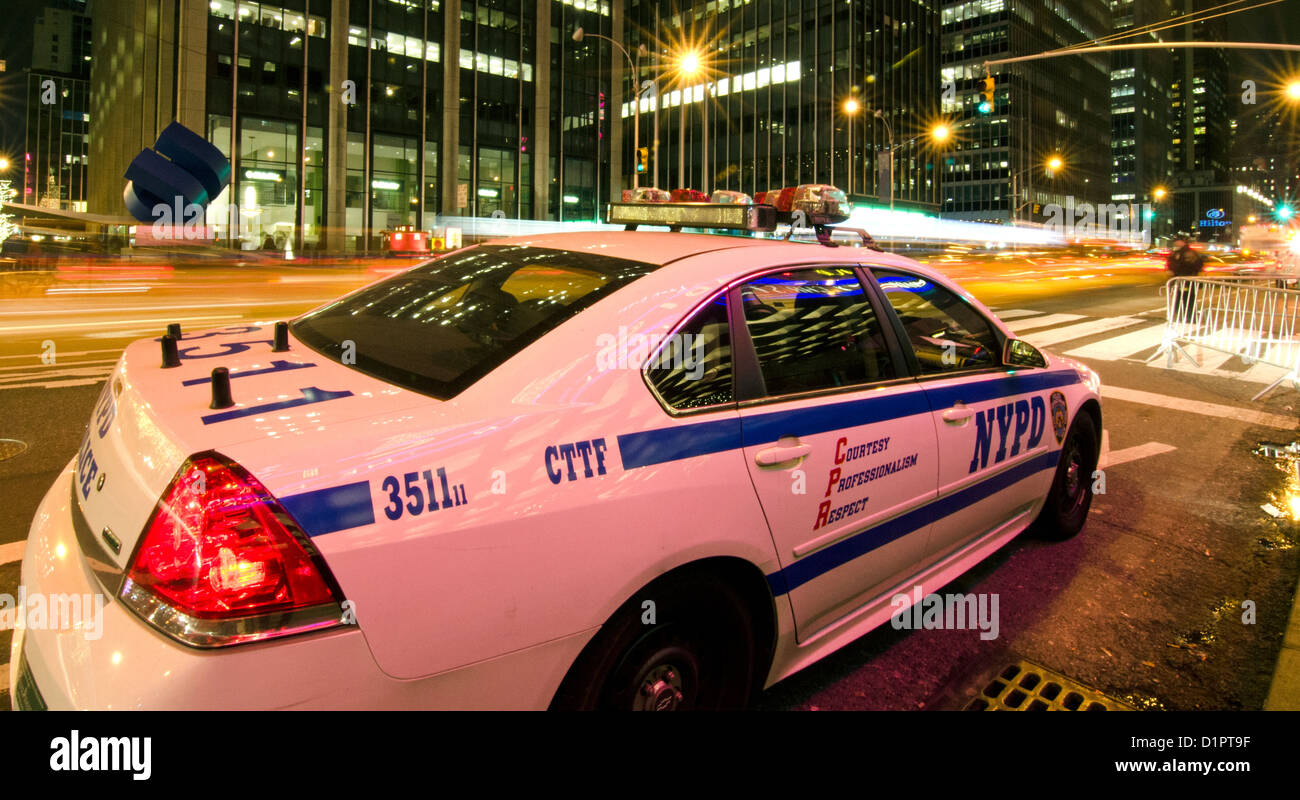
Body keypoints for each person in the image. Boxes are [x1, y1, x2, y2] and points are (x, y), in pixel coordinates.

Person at [1165, 237, 1204, 325]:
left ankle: (1190, 318)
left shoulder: (1188, 253)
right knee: (1179, 299)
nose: (1175, 244)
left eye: (1177, 242)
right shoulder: (1177, 252)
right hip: (1179, 280)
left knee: (1188, 299)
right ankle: (1182, 317)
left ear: (1182, 242)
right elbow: (1171, 263)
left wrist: (1176, 270)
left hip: (1187, 280)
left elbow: (1194, 265)